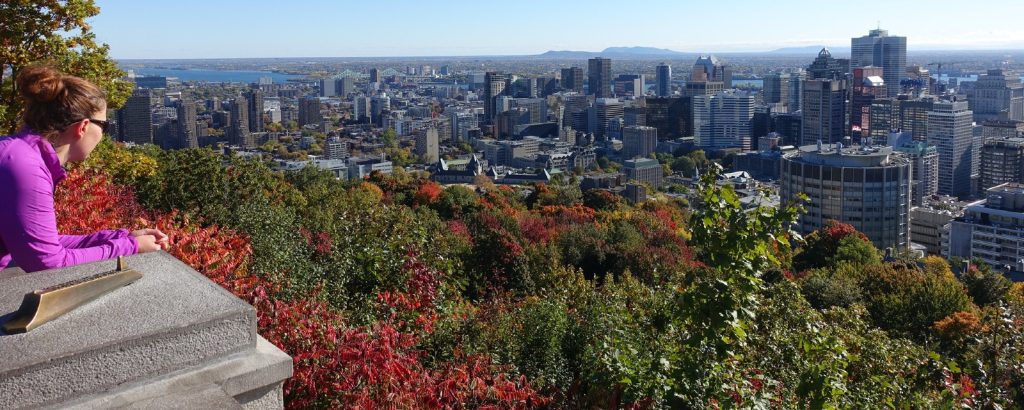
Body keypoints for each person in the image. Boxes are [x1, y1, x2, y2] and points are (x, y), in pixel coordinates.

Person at [0, 66, 167, 273]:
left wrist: (122, 238)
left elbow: (41, 243)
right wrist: (131, 247)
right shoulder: (24, 167)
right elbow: (47, 262)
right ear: (83, 127)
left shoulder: (18, 155)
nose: (103, 134)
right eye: (104, 126)